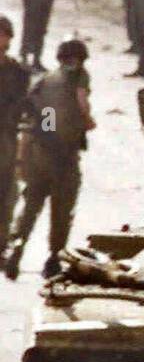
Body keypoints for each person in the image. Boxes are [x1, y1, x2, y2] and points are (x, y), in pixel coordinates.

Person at [3, 36, 94, 281]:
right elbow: (81, 101)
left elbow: (38, 115)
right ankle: (53, 258)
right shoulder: (78, 77)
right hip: (62, 157)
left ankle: (18, 248)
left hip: (39, 155)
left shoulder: (45, 79)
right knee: (62, 209)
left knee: (31, 205)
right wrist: (87, 122)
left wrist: (28, 153)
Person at [0, 15, 30, 252]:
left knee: (7, 195)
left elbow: (41, 106)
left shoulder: (19, 73)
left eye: (3, 34)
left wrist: (49, 133)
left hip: (6, 142)